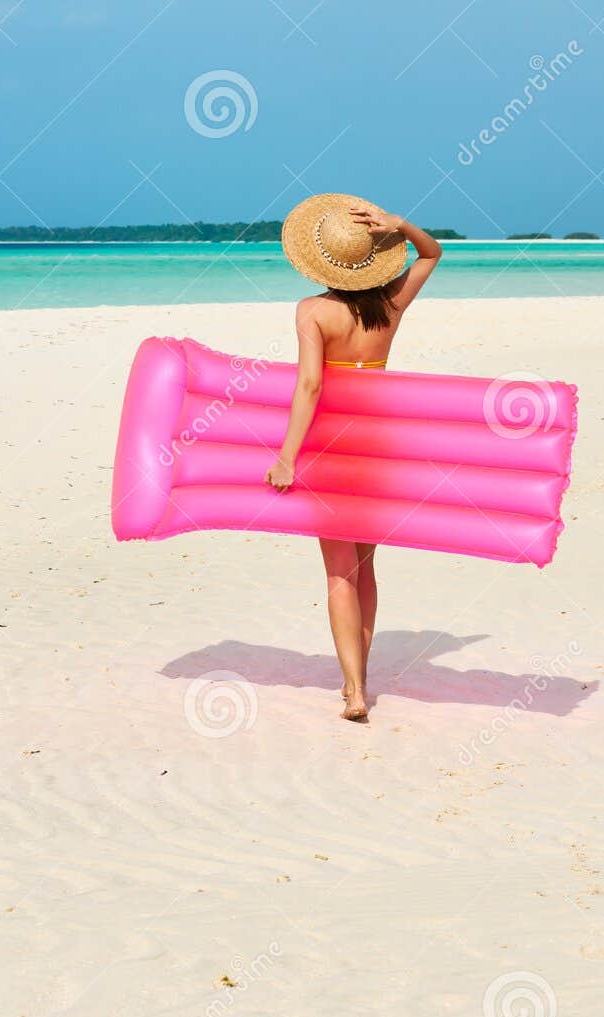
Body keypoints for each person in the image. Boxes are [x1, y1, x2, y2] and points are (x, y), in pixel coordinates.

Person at [266, 194, 444, 721]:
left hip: (330, 449)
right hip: (377, 449)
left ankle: (355, 690)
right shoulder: (391, 306)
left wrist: (286, 456)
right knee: (366, 569)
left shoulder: (312, 312)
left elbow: (311, 385)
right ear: (371, 259)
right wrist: (400, 225)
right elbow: (433, 254)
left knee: (338, 574)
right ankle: (357, 680)